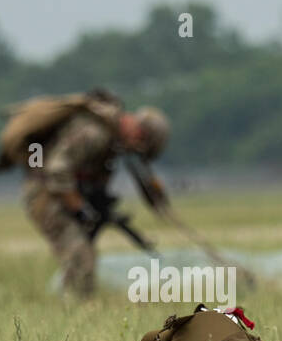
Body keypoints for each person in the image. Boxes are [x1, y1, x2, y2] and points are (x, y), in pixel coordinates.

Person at [13, 91, 169, 299]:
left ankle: (70, 302)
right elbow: (57, 170)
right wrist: (81, 209)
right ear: (138, 133)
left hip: (58, 192)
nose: (134, 151)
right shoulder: (95, 133)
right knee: (80, 255)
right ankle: (76, 309)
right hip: (44, 193)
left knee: (81, 252)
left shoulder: (110, 140)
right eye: (139, 148)